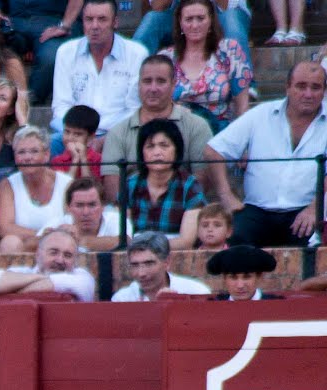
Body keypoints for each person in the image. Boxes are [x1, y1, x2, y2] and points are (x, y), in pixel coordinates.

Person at [202, 60, 326, 248]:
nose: (308, 94)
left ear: (324, 91)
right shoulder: (261, 114)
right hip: (256, 210)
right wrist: (226, 196)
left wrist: (314, 208)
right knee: (233, 240)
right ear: (288, 87)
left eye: (315, 88)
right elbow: (214, 150)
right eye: (301, 86)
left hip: (306, 211)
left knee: (314, 246)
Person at [101, 54, 211, 201]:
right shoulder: (118, 132)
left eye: (161, 81)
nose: (153, 88)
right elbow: (113, 190)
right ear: (139, 85)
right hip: (132, 213)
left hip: (182, 211)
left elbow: (202, 181)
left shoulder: (197, 126)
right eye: (147, 81)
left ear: (173, 85)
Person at [48, 0, 145, 150]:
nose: (94, 26)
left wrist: (107, 139)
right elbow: (61, 105)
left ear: (115, 22)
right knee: (48, 145)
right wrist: (78, 135)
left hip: (118, 134)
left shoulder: (136, 54)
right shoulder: (66, 52)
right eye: (89, 19)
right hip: (74, 133)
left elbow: (134, 109)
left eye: (102, 19)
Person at [159, 0, 249, 133]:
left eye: (200, 19)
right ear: (180, 23)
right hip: (177, 135)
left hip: (220, 136)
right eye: (189, 19)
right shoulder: (166, 58)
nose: (195, 25)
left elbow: (242, 107)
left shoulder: (229, 51)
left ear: (211, 21)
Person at [0, 0, 82, 106]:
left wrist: (64, 25)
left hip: (54, 21)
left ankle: (29, 104)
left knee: (51, 57)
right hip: (14, 22)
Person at [125, 117, 203, 248]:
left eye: (164, 145)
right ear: (141, 152)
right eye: (150, 146)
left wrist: (148, 248)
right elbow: (122, 236)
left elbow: (186, 241)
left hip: (176, 257)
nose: (157, 153)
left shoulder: (189, 186)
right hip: (135, 256)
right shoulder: (130, 185)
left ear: (177, 150)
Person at [0, 124, 70, 251]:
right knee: (9, 242)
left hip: (60, 246)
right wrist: (41, 236)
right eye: (21, 152)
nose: (27, 158)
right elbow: (4, 228)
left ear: (46, 155)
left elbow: (72, 225)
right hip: (25, 247)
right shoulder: (7, 185)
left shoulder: (67, 184)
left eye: (34, 151)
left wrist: (49, 239)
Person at [0, 225, 96, 298]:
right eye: (53, 252)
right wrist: (39, 277)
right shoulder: (22, 271)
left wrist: (10, 291)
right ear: (38, 254)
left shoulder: (83, 277)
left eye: (68, 255)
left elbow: (61, 281)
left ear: (75, 259)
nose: (60, 260)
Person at [111, 229, 209, 299]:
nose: (141, 273)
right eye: (135, 265)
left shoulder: (196, 292)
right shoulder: (122, 298)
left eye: (149, 263)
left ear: (167, 262)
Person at [58, 175, 124, 249]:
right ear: (68, 208)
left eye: (92, 205)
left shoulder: (116, 220)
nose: (86, 212)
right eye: (79, 205)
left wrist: (77, 240)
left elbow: (126, 241)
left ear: (103, 206)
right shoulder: (60, 222)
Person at [206, 242, 278, 299]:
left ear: (259, 277)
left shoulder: (276, 306)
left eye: (247, 277)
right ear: (224, 279)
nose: (240, 285)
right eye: (233, 277)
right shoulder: (213, 306)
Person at [50, 103, 102, 180]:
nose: (70, 138)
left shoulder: (98, 160)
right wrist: (75, 160)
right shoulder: (58, 161)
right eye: (67, 132)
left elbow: (90, 187)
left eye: (77, 134)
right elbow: (64, 188)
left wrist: (83, 159)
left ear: (91, 137)